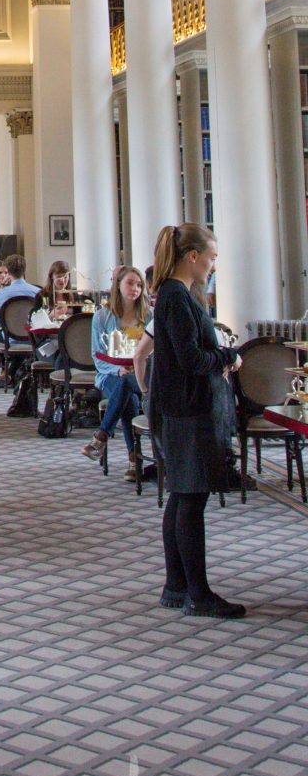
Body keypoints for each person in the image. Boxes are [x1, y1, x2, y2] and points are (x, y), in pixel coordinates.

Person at [150, 223, 244, 619]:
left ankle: (177, 586)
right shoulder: (176, 296)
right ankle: (198, 594)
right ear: (193, 256)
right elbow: (189, 359)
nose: (213, 265)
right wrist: (228, 357)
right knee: (191, 497)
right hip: (188, 409)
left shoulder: (176, 295)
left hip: (182, 406)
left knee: (183, 496)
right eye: (212, 258)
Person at [82, 266, 150, 478]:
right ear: (118, 286)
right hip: (110, 374)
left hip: (142, 375)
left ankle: (101, 437)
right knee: (129, 398)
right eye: (130, 283)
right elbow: (97, 355)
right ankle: (133, 458)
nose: (135, 288)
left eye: (139, 285)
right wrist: (117, 369)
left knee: (128, 385)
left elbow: (155, 351)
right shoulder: (102, 317)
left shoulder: (149, 316)